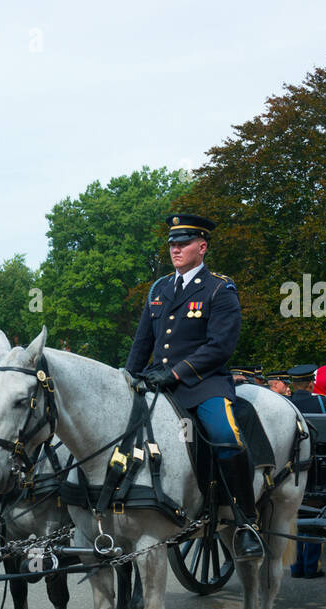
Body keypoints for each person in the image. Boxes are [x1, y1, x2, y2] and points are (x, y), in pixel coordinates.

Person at [125, 213, 262, 559]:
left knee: (225, 435)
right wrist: (127, 377)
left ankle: (247, 522)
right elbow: (142, 342)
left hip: (204, 385)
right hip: (157, 382)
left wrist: (173, 374)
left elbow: (220, 347)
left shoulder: (219, 288)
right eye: (172, 243)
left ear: (201, 247)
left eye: (183, 243)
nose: (175, 249)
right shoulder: (159, 288)